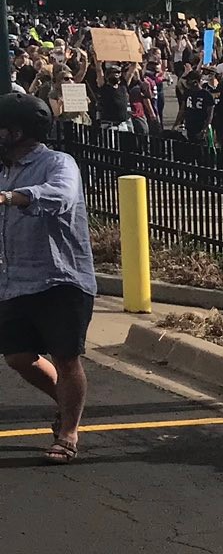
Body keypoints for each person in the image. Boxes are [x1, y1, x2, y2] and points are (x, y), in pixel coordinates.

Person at [0, 92, 94, 464]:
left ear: (17, 132)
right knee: (17, 356)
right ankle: (68, 402)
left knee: (66, 358)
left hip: (60, 279)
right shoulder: (4, 169)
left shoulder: (58, 163)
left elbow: (61, 196)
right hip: (15, 280)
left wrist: (11, 197)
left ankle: (68, 433)